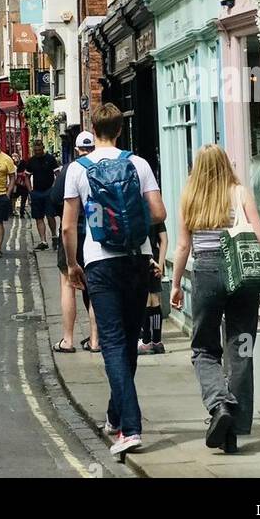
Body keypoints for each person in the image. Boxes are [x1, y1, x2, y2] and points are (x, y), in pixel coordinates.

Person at [63, 103, 166, 461]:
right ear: (121, 130)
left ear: (95, 128)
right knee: (128, 339)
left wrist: (74, 264)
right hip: (138, 258)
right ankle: (115, 414)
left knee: (111, 344)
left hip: (100, 262)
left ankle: (131, 428)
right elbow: (158, 212)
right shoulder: (138, 164)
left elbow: (66, 226)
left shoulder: (78, 168)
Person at [170, 145, 260, 454]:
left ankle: (219, 404)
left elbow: (183, 247)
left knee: (203, 349)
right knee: (242, 347)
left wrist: (175, 285)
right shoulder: (239, 193)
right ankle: (235, 424)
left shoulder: (190, 196)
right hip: (241, 273)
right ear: (226, 165)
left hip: (207, 272)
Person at [51, 132, 99, 354]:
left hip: (72, 233)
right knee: (94, 287)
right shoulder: (103, 165)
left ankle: (68, 340)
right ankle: (96, 341)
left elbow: (54, 201)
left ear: (77, 148)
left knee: (68, 284)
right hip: (96, 234)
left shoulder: (69, 169)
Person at [139, 221, 169, 355]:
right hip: (157, 257)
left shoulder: (137, 209)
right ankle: (157, 341)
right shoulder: (157, 214)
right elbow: (164, 240)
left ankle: (146, 341)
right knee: (155, 298)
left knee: (145, 299)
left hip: (141, 258)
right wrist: (161, 264)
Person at [24, 138, 60, 249]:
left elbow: (57, 174)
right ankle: (43, 241)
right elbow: (27, 176)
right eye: (35, 150)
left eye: (39, 150)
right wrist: (30, 191)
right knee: (38, 217)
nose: (38, 152)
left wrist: (54, 188)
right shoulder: (31, 161)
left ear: (43, 148)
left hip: (49, 191)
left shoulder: (50, 159)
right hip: (37, 192)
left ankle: (54, 236)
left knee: (50, 216)